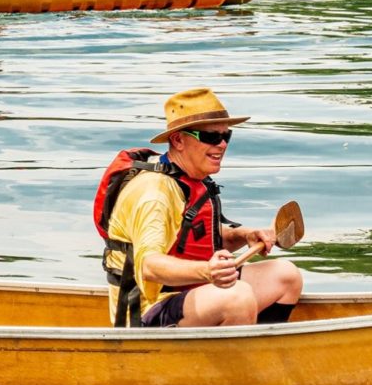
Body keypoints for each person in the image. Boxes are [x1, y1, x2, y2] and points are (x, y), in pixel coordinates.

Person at [100, 88, 302, 327]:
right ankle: (236, 348)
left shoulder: (186, 176)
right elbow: (148, 266)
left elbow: (192, 238)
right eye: (210, 137)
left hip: (189, 292)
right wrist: (208, 271)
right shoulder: (154, 195)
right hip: (146, 310)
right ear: (178, 140)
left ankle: (261, 345)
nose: (222, 144)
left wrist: (243, 235)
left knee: (285, 275)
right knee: (237, 296)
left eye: (226, 136)